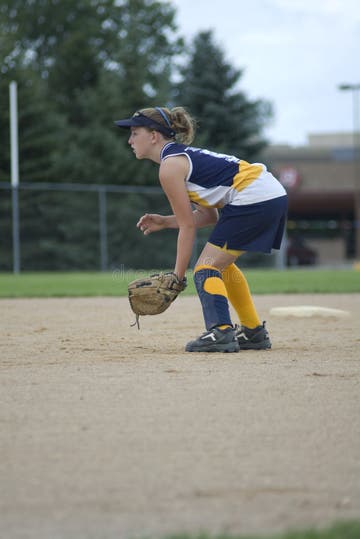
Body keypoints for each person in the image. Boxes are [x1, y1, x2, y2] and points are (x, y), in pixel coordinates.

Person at [115, 106, 288, 352]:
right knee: (220, 265)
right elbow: (208, 216)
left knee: (205, 268)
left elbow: (187, 227)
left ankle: (221, 332)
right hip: (268, 194)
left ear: (154, 135)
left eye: (134, 132)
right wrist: (165, 221)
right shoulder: (180, 159)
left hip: (254, 197)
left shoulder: (170, 166)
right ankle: (252, 332)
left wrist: (178, 277)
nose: (130, 140)